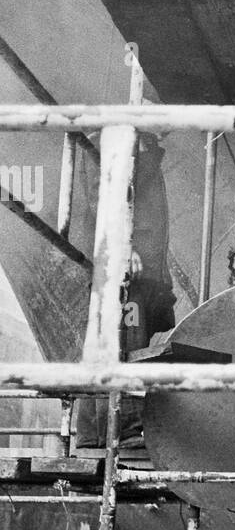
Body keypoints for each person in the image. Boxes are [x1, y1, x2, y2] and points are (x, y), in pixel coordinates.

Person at [76, 132, 176, 449]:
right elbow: (104, 198)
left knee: (110, 341)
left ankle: (93, 433)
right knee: (126, 343)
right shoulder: (112, 143)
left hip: (139, 271)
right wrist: (123, 247)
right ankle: (127, 427)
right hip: (126, 270)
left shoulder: (139, 150)